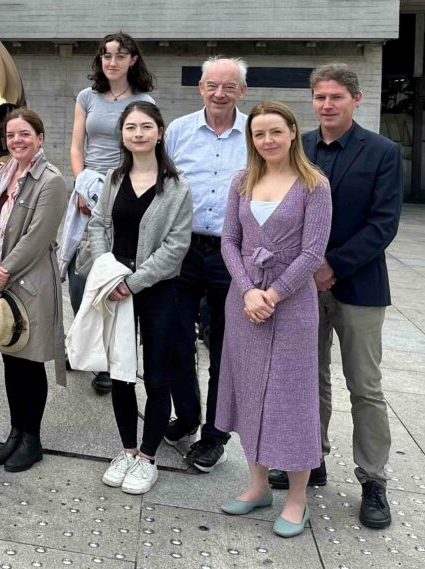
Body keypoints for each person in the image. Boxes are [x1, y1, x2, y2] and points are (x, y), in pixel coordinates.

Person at [269, 64, 402, 531]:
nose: (327, 105)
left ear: (356, 99)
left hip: (359, 287)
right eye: (320, 97)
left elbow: (384, 224)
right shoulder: (296, 146)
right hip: (300, 287)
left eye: (336, 98)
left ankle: (373, 479)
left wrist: (333, 264)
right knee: (309, 376)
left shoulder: (382, 152)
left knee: (364, 385)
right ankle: (312, 458)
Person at [216, 101, 332, 538]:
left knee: (292, 396)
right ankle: (258, 485)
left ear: (292, 133)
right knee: (248, 390)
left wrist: (275, 292)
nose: (267, 140)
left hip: (293, 304)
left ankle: (297, 498)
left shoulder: (313, 184)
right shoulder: (243, 181)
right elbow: (229, 240)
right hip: (243, 301)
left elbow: (313, 250)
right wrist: (247, 289)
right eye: (259, 134)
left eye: (275, 132)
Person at [87, 102, 193, 495]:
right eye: (130, 127)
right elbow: (98, 224)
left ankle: (149, 456)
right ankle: (127, 450)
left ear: (160, 132)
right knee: (120, 371)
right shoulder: (114, 179)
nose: (137, 133)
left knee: (158, 373)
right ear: (122, 134)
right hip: (115, 284)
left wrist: (134, 282)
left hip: (157, 290)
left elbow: (176, 245)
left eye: (146, 126)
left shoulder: (177, 187)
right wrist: (106, 267)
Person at [163, 56, 249, 473]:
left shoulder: (254, 134)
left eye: (228, 87)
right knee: (175, 339)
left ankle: (215, 435)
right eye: (212, 85)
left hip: (233, 253)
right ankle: (189, 414)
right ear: (200, 87)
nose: (219, 93)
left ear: (241, 92)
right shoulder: (178, 131)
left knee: (224, 348)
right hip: (182, 250)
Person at [62, 32, 155, 394]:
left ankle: (107, 355)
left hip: (123, 195)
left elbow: (140, 150)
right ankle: (83, 341)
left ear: (133, 59)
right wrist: (81, 185)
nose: (111, 61)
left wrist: (113, 197)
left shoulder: (142, 101)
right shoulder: (87, 98)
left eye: (119, 55)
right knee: (79, 276)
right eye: (105, 55)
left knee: (115, 276)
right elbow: (75, 145)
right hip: (86, 192)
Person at [0, 109, 69, 473]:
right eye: (12, 134)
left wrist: (4, 271)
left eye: (25, 134)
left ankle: (32, 438)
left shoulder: (52, 180)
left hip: (30, 282)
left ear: (40, 138)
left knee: (30, 361)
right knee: (9, 358)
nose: (18, 140)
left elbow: (37, 238)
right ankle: (15, 432)